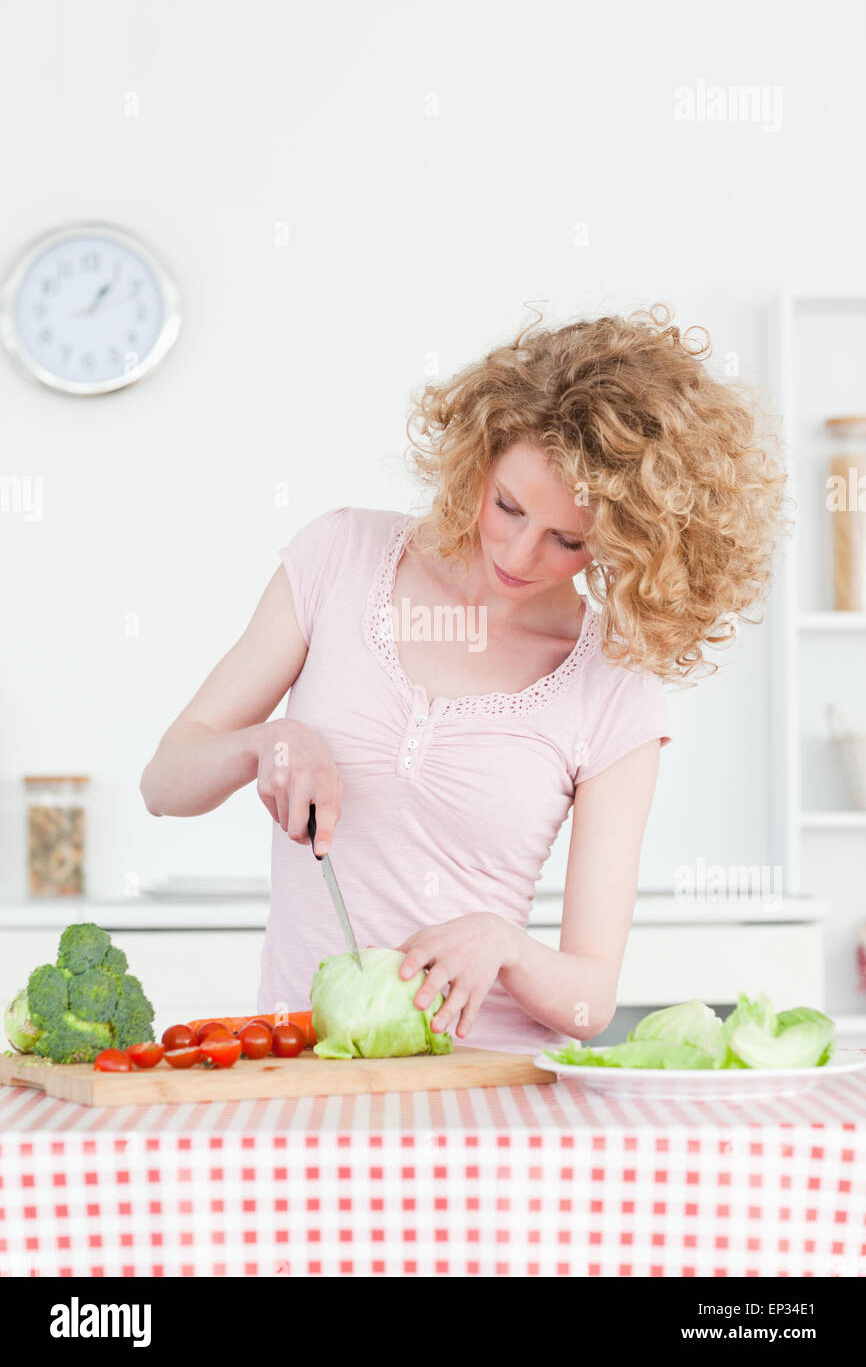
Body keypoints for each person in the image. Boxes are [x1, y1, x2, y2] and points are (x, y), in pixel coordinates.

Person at [139, 304, 788, 1056]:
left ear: (628, 542)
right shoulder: (339, 558)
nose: (516, 552)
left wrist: (504, 945)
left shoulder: (613, 689)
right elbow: (164, 784)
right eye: (507, 504)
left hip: (483, 1082)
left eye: (568, 540)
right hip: (300, 1066)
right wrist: (267, 741)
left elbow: (588, 1002)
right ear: (479, 454)